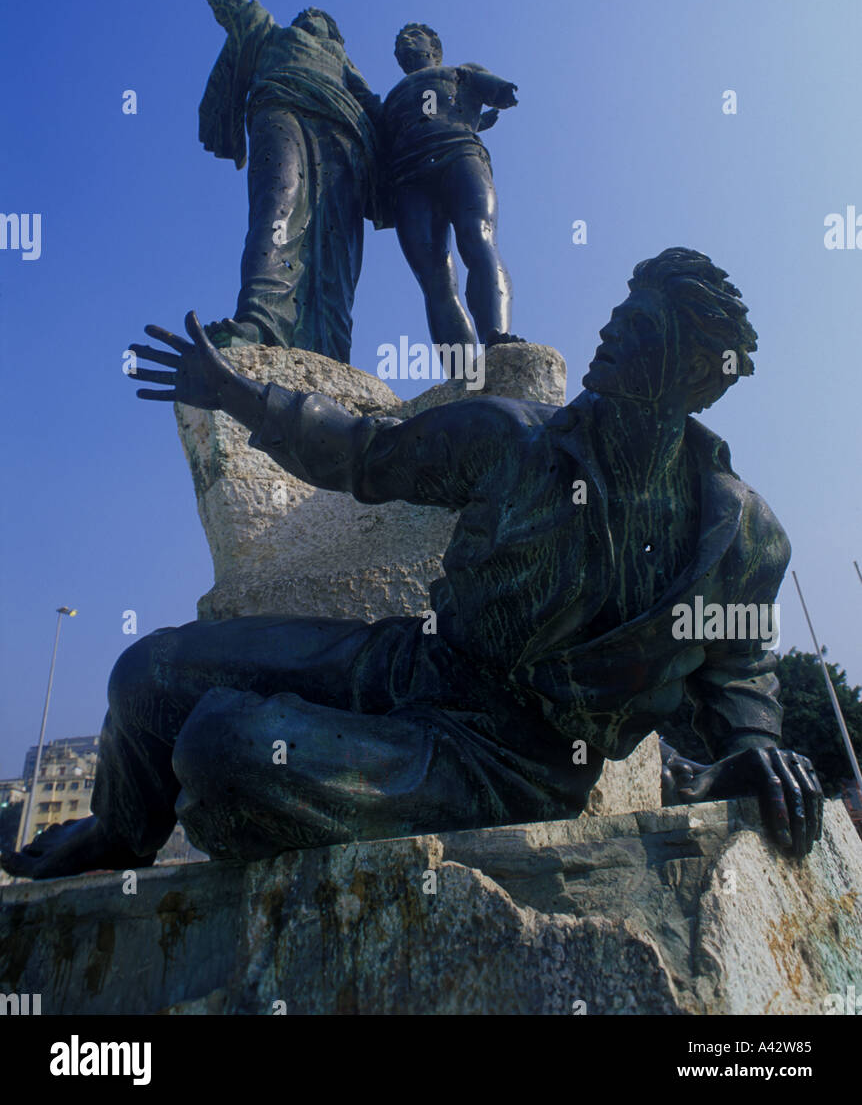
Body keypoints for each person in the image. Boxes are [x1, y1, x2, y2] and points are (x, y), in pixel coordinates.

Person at [2, 249, 823, 879]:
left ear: (692, 374)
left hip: (509, 762)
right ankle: (115, 835)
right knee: (146, 672)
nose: (611, 328)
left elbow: (739, 674)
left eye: (639, 326)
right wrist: (239, 395)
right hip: (416, 662)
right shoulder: (516, 439)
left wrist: (756, 746)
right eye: (620, 309)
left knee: (221, 753)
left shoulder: (741, 535)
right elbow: (366, 453)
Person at [168, 0, 382, 359]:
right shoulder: (267, 32)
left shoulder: (347, 70)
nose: (313, 17)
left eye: (324, 20)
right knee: (278, 208)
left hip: (344, 137)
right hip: (280, 112)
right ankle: (259, 321)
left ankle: (330, 351)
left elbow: (382, 115)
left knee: (338, 251)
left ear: (337, 40)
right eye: (307, 15)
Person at [380, 23, 520, 353]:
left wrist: (496, 95)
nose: (404, 43)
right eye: (400, 41)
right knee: (434, 276)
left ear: (434, 45)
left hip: (459, 155)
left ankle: (496, 338)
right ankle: (461, 371)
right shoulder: (389, 101)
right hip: (408, 177)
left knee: (477, 236)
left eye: (413, 37)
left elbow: (494, 90)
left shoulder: (461, 71)